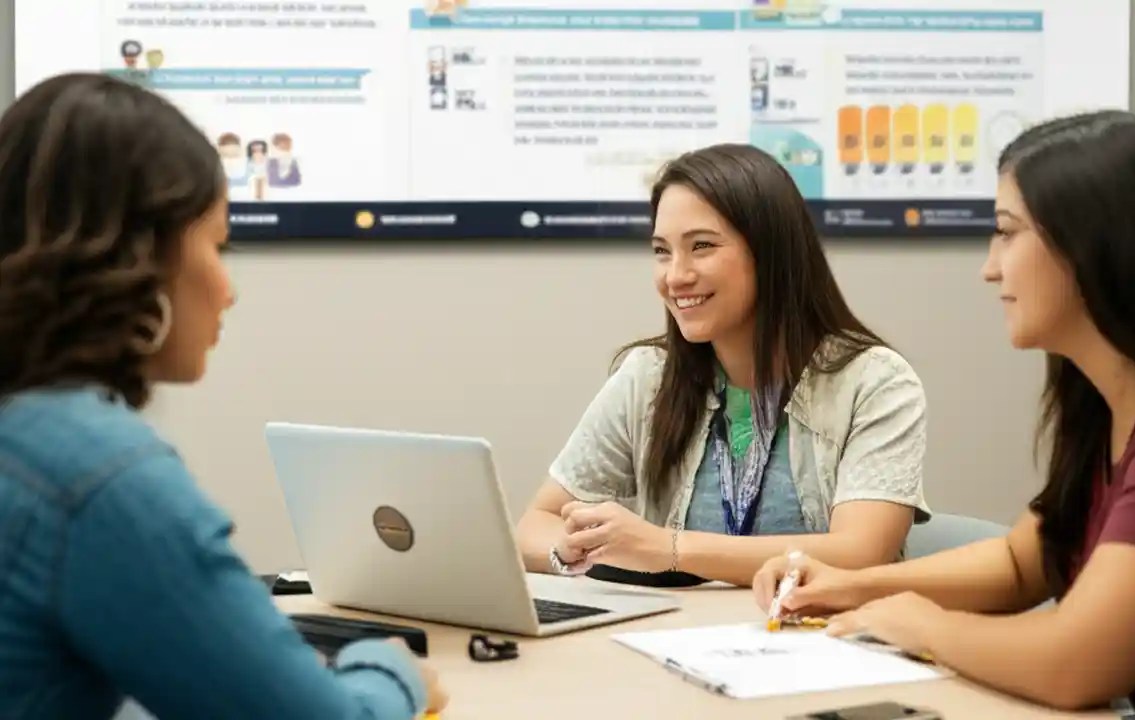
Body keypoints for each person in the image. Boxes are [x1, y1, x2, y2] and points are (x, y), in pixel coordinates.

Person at [752, 110, 1135, 717]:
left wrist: (921, 625)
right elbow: (1020, 563)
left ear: (1094, 247)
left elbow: (1076, 664)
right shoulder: (1110, 404)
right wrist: (852, 587)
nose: (990, 267)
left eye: (1007, 232)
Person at [0, 73, 447, 719]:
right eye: (218, 245)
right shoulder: (102, 477)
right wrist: (387, 668)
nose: (228, 289)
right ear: (137, 256)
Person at [515, 143, 930, 588]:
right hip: (669, 641)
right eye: (662, 251)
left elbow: (860, 553)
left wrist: (668, 549)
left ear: (770, 253)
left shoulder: (876, 383)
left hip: (816, 644)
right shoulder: (648, 376)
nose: (675, 276)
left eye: (702, 247)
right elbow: (534, 526)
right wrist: (571, 553)